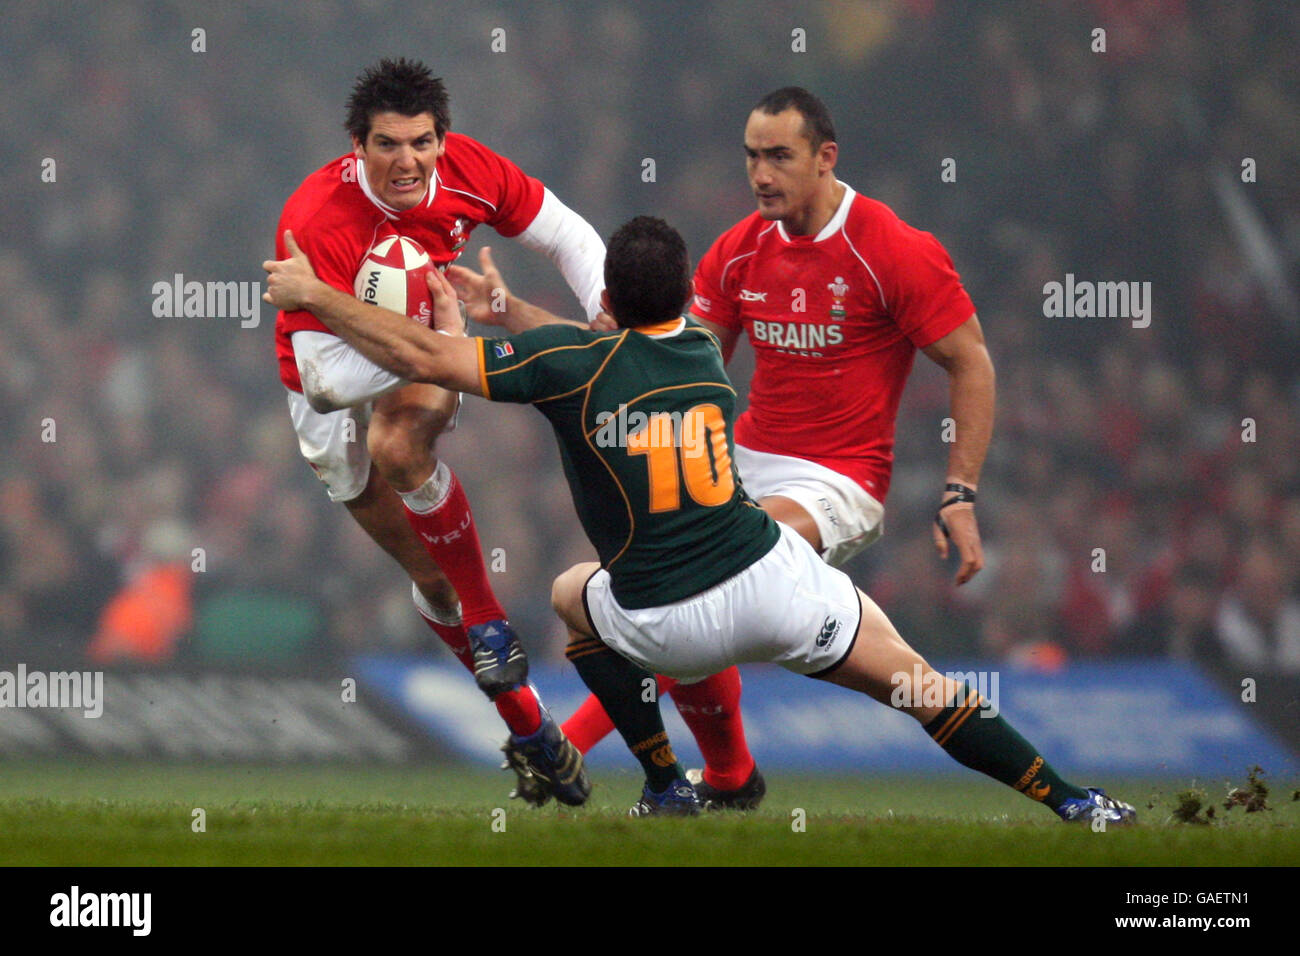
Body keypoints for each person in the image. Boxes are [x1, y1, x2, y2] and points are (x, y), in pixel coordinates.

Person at [263, 215, 1137, 824]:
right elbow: (611, 345)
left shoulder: (567, 365)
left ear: (607, 299)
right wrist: (520, 315)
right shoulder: (702, 355)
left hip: (660, 625)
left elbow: (422, 354)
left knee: (574, 594)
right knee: (925, 691)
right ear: (684, 292)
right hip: (772, 585)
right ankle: (1076, 802)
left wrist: (317, 293)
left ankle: (666, 780)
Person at [465, 87, 996, 810]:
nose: (762, 173)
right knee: (678, 583)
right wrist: (511, 315)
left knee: (700, 573)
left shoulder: (892, 249)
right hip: (740, 468)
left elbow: (971, 362)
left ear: (825, 157)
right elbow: (641, 360)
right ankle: (728, 780)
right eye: (752, 156)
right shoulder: (739, 251)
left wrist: (960, 493)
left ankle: (575, 745)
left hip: (838, 483)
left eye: (779, 156)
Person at [272, 58, 603, 803]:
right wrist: (430, 337)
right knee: (426, 576)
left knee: (397, 447)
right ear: (356, 146)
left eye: (421, 143)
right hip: (329, 363)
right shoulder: (315, 216)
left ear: (441, 139)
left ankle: (490, 622)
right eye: (387, 144)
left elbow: (568, 234)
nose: (408, 161)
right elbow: (324, 385)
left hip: (427, 341)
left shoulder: (469, 169)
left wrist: (612, 311)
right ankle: (532, 730)